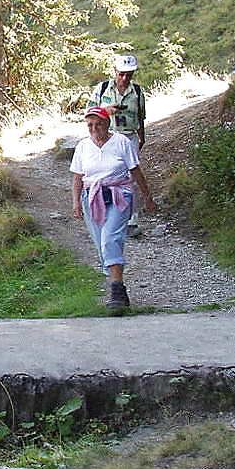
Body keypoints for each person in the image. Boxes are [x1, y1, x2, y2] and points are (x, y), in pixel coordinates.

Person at [70, 106, 157, 315]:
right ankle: (120, 292)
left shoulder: (121, 142)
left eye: (98, 123)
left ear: (107, 123)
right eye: (90, 124)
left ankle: (116, 291)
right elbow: (77, 178)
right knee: (102, 245)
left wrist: (147, 197)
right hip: (91, 198)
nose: (94, 128)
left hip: (119, 195)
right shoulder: (83, 146)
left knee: (110, 239)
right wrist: (75, 203)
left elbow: (136, 171)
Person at [89, 54, 147, 235]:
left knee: (130, 175)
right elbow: (90, 112)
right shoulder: (103, 89)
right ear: (115, 72)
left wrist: (142, 136)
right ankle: (106, 212)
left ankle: (131, 219)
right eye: (121, 74)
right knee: (108, 175)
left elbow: (141, 116)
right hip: (108, 137)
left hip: (129, 137)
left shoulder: (137, 92)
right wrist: (106, 111)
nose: (124, 78)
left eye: (129, 74)